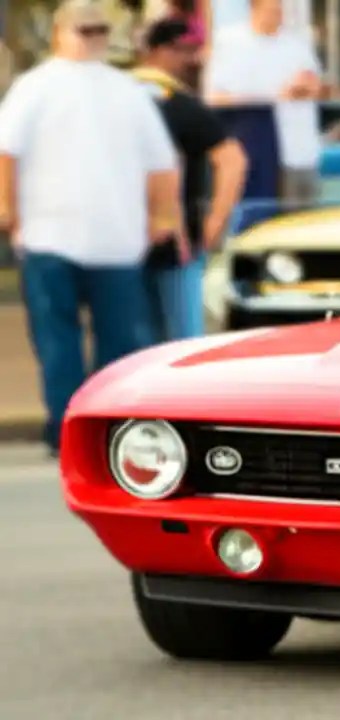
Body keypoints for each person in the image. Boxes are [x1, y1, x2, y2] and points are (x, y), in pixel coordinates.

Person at [0, 0, 182, 457]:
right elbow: (7, 155)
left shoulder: (126, 90)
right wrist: (9, 210)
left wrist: (162, 217)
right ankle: (68, 429)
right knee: (61, 340)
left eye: (99, 29)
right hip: (50, 234)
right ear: (60, 32)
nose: (92, 37)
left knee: (114, 345)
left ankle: (102, 432)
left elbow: (162, 165)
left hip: (114, 239)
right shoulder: (35, 87)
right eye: (85, 30)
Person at [134, 18, 248, 341]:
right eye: (183, 50)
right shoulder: (177, 103)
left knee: (130, 341)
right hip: (174, 242)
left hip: (122, 242)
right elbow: (233, 161)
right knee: (181, 341)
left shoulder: (116, 99)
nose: (192, 59)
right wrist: (216, 220)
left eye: (195, 50)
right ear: (156, 52)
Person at [204, 0, 324, 210]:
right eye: (272, 9)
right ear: (254, 7)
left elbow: (316, 85)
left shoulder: (297, 43)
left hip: (299, 153)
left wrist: (304, 88)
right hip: (253, 152)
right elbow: (214, 97)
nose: (278, 14)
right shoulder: (230, 42)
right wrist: (273, 97)